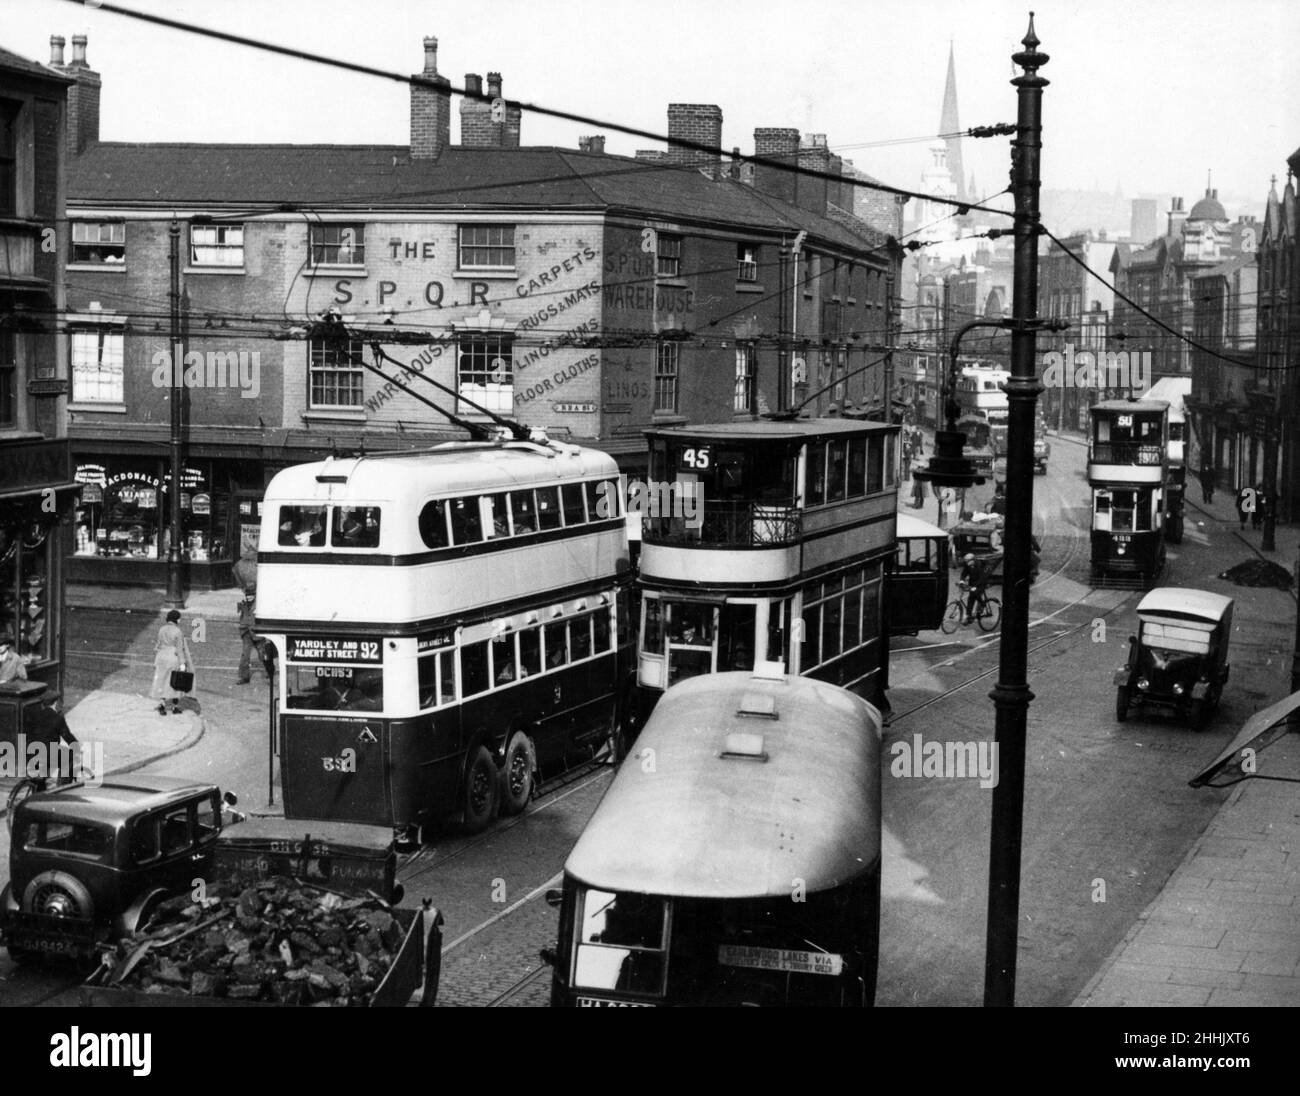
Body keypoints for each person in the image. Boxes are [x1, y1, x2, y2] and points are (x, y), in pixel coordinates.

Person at [150, 609, 194, 715]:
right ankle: (175, 707)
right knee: (175, 683)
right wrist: (182, 663)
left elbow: (157, 646)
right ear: (177, 619)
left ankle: (162, 704)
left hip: (161, 657)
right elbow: (180, 648)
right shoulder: (177, 631)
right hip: (172, 658)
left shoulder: (161, 629)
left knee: (162, 681)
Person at [232, 548, 260, 685]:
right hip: (252, 627)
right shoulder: (256, 599)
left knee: (248, 652)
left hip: (248, 626)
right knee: (257, 651)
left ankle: (244, 675)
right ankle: (267, 673)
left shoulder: (247, 599)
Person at [959, 553, 986, 625]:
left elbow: (982, 578)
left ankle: (982, 604)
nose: (967, 563)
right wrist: (961, 580)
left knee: (974, 593)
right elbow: (964, 573)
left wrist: (976, 586)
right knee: (970, 599)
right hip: (972, 583)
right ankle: (969, 616)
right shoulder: (967, 565)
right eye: (966, 562)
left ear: (973, 560)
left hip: (981, 583)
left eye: (968, 561)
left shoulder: (979, 565)